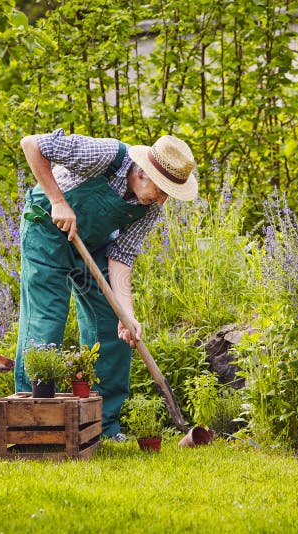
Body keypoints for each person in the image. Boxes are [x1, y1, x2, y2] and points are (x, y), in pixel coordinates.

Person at [16, 129, 198, 439]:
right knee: (46, 325)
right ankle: (30, 419)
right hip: (46, 232)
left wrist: (127, 314)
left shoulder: (149, 206)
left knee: (114, 327)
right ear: (143, 173)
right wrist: (58, 202)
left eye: (169, 193)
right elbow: (31, 144)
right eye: (162, 189)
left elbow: (122, 258)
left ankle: (102, 423)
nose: (163, 199)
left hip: (93, 245)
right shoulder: (104, 155)